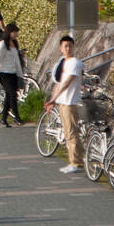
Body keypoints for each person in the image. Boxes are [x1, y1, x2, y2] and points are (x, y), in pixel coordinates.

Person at [47, 35, 85, 174]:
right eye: (65, 46)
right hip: (63, 102)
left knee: (71, 134)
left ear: (74, 47)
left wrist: (54, 98)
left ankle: (75, 163)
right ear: (60, 48)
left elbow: (67, 82)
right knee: (69, 133)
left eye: (70, 45)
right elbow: (59, 83)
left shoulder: (74, 62)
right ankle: (78, 160)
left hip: (70, 102)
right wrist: (53, 100)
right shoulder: (63, 62)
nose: (68, 48)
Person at [0, 23, 27, 127]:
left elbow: (17, 61)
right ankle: (16, 117)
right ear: (9, 32)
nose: (16, 34)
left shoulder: (14, 43)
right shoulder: (3, 44)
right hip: (4, 74)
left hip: (13, 73)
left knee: (9, 96)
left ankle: (4, 118)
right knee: (12, 94)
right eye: (15, 32)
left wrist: (20, 74)